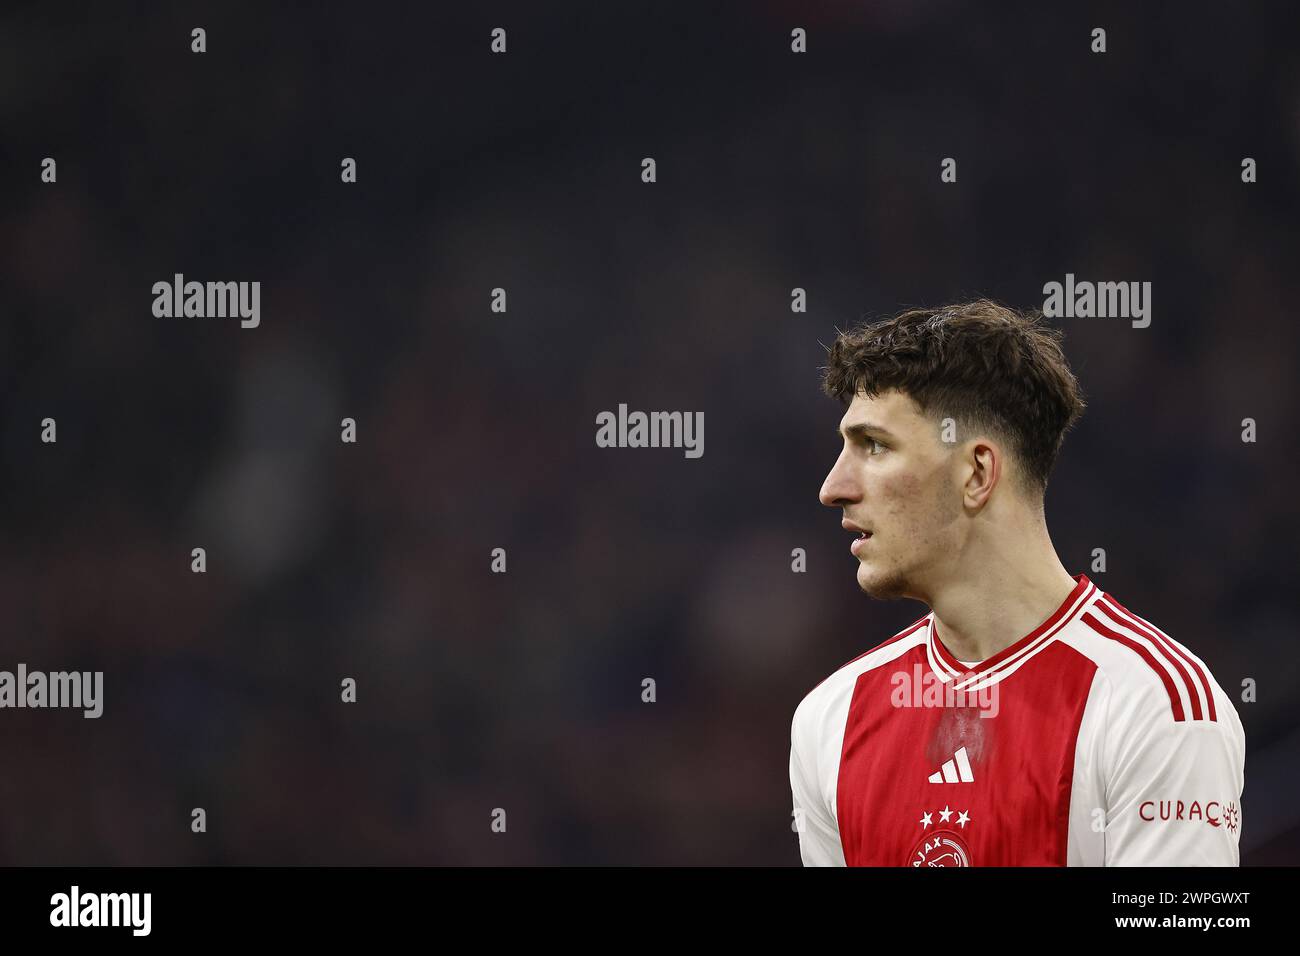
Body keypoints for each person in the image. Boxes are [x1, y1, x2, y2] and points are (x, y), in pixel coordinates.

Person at [791, 300, 1245, 866]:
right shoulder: (829, 719)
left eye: (874, 446)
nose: (833, 487)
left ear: (977, 472)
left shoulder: (1156, 706)